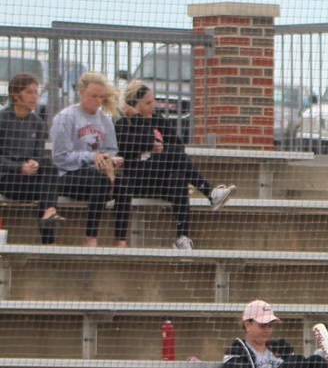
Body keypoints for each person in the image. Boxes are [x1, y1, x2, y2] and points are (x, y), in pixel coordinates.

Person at [111, 80, 233, 250]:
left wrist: (163, 148)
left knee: (178, 178)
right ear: (134, 105)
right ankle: (210, 193)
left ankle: (182, 237)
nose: (152, 106)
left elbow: (178, 145)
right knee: (173, 153)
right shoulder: (122, 124)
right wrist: (138, 119)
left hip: (159, 179)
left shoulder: (157, 119)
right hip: (137, 178)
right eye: (147, 103)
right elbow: (136, 145)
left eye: (153, 101)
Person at [48, 72, 120, 245]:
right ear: (81, 92)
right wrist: (91, 157)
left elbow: (110, 149)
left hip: (97, 176)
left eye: (101, 97)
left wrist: (109, 159)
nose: (98, 101)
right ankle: (90, 237)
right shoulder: (66, 117)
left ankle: (121, 241)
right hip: (67, 176)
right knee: (100, 179)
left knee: (124, 185)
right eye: (94, 96)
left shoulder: (105, 120)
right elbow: (60, 157)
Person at [1, 74, 61, 244]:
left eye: (36, 92)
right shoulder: (2, 120)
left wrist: (35, 162)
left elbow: (39, 154)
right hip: (7, 179)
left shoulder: (37, 122)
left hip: (31, 180)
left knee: (50, 169)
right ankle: (49, 241)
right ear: (16, 95)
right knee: (47, 191)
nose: (34, 96)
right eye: (29, 92)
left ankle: (49, 213)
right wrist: (19, 167)